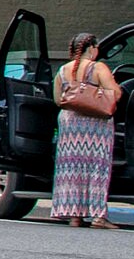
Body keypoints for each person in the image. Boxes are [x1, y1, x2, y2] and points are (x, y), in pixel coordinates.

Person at [48, 31, 120, 229]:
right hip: (96, 124)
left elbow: (57, 100)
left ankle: (74, 216)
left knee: (72, 167)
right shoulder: (98, 68)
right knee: (97, 167)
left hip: (70, 123)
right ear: (92, 49)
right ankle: (98, 217)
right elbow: (115, 93)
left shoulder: (63, 70)